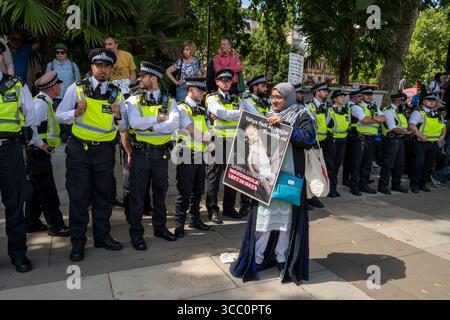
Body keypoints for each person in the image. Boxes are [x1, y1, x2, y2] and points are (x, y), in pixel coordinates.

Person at [230, 82, 316, 283]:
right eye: (273, 96)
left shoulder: (301, 115)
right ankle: (257, 258)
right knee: (263, 219)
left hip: (289, 176)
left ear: (290, 98)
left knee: (287, 222)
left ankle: (282, 258)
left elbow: (309, 139)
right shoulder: (266, 115)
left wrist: (285, 127)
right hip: (267, 176)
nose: (275, 100)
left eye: (280, 97)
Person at [56, 48, 127, 262]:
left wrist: (117, 115)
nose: (103, 70)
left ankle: (102, 236)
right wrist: (75, 113)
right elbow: (59, 115)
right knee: (78, 197)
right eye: (100, 66)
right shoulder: (77, 89)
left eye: (107, 66)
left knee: (104, 195)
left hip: (105, 151)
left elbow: (124, 125)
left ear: (111, 69)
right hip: (80, 150)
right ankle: (78, 242)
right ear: (92, 67)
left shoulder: (116, 93)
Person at [126, 61, 180, 249]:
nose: (139, 79)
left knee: (160, 193)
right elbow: (134, 123)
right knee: (138, 196)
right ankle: (136, 234)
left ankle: (160, 228)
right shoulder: (134, 99)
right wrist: (157, 119)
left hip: (161, 154)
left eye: (143, 76)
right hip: (141, 153)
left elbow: (174, 124)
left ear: (153, 78)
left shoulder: (169, 99)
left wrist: (149, 124)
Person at [0, 40, 34, 272]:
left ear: (1, 57)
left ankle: (19, 255)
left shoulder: (16, 86)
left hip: (9, 150)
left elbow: (29, 117)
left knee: (14, 204)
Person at [25, 71, 70, 236]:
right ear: (52, 87)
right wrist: (41, 145)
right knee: (48, 192)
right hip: (37, 154)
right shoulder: (41, 104)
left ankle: (31, 222)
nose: (59, 87)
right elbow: (30, 127)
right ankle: (56, 225)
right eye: (58, 84)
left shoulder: (44, 102)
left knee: (37, 191)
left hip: (37, 155)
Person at [205, 69, 248, 224]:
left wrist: (232, 112)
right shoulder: (211, 98)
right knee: (214, 177)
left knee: (233, 176)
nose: (226, 82)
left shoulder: (236, 98)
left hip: (235, 142)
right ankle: (212, 210)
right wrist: (238, 113)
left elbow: (245, 114)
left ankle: (229, 208)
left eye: (229, 80)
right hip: (218, 142)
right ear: (217, 82)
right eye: (223, 80)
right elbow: (221, 113)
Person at [173, 77, 212, 238]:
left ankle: (194, 219)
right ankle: (178, 224)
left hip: (200, 154)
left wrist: (208, 136)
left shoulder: (203, 110)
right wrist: (206, 137)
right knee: (184, 191)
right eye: (200, 90)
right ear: (190, 89)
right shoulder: (182, 108)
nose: (203, 93)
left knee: (198, 190)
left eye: (204, 90)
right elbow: (189, 129)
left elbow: (210, 129)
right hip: (186, 154)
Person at [349, 87, 385, 196]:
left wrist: (372, 118)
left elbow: (383, 118)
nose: (369, 96)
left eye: (370, 94)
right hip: (360, 139)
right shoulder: (357, 107)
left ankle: (364, 185)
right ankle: (354, 186)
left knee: (367, 164)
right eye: (366, 94)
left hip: (371, 139)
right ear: (361, 96)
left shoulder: (374, 106)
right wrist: (375, 118)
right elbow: (364, 120)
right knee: (357, 164)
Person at [408, 92, 446, 193]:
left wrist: (442, 136)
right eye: (429, 100)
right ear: (423, 101)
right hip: (420, 143)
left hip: (433, 144)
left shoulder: (437, 114)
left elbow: (443, 127)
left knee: (428, 165)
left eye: (433, 101)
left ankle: (422, 184)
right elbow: (412, 125)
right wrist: (421, 136)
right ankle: (414, 185)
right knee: (418, 164)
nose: (432, 102)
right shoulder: (418, 112)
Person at [378, 93, 411, 194]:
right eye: (403, 100)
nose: (404, 103)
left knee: (399, 164)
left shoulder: (399, 111)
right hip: (391, 140)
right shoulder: (389, 111)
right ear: (398, 101)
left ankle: (396, 185)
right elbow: (392, 128)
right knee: (388, 164)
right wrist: (406, 132)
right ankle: (383, 186)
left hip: (399, 140)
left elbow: (402, 125)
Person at [305, 82, 329, 208]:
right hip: (313, 143)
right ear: (317, 92)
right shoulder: (309, 106)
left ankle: (315, 195)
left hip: (323, 142)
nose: (326, 93)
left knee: (320, 171)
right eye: (324, 91)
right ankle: (309, 197)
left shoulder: (326, 106)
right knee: (311, 170)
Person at [326, 89, 350, 197]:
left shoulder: (346, 109)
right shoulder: (330, 110)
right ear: (334, 99)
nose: (343, 99)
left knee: (337, 165)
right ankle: (330, 189)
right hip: (333, 140)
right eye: (340, 97)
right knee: (330, 166)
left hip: (343, 140)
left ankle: (334, 188)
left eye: (343, 97)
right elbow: (326, 125)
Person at [342, 90, 362, 188]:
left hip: (347, 135)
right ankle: (352, 182)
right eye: (359, 97)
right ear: (354, 98)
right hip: (354, 135)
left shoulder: (346, 106)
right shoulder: (355, 107)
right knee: (355, 161)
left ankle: (346, 179)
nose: (360, 99)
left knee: (348, 159)